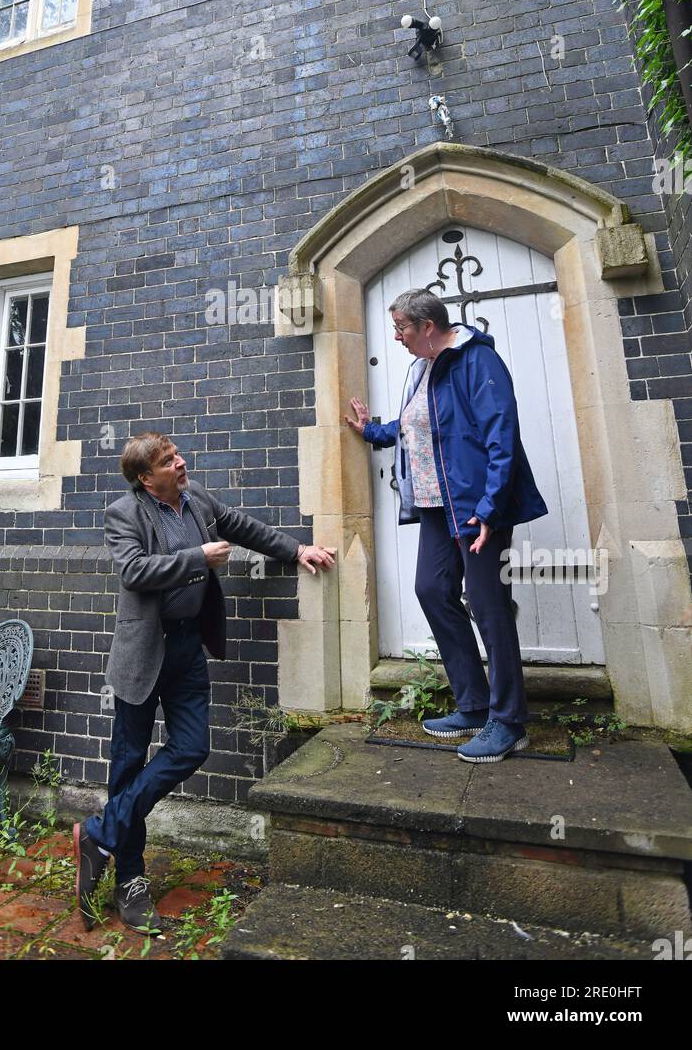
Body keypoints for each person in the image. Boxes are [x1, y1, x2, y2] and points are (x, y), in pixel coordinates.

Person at [74, 432, 336, 932]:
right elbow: (133, 571)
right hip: (142, 653)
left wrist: (298, 547)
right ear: (146, 478)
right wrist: (198, 558)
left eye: (177, 455)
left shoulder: (199, 501)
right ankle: (129, 881)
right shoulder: (123, 513)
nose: (180, 462)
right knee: (127, 767)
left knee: (192, 747)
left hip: (187, 650)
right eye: (169, 461)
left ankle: (99, 833)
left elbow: (244, 527)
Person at [346, 288, 548, 763]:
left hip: (476, 509)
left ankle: (509, 722)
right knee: (432, 590)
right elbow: (417, 426)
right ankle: (474, 705)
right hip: (438, 507)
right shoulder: (426, 368)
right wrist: (371, 430)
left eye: (402, 329)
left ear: (428, 327)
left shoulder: (477, 361)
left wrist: (492, 508)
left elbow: (503, 435)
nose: (396, 337)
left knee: (489, 607)